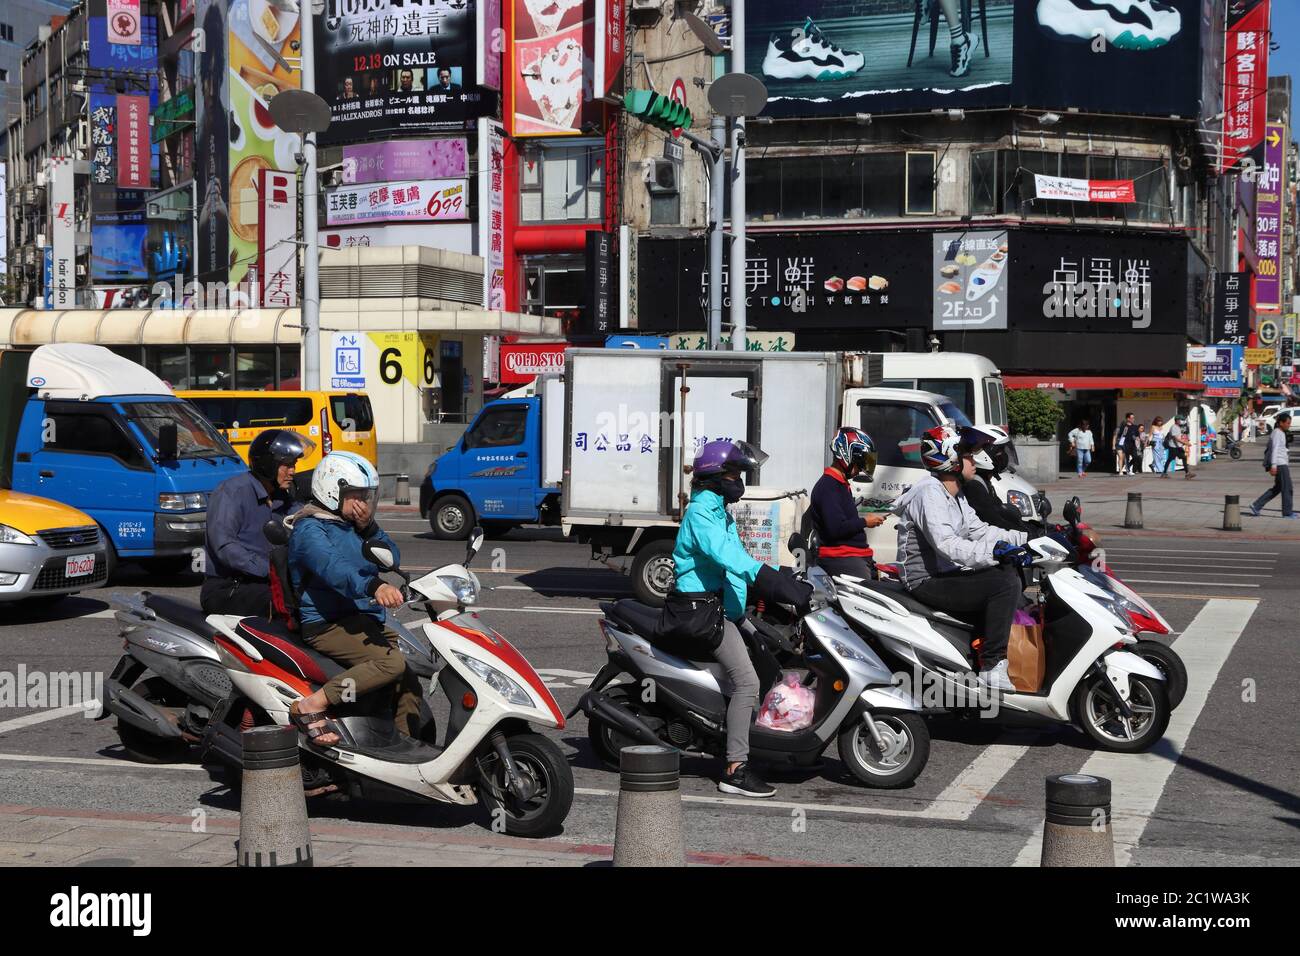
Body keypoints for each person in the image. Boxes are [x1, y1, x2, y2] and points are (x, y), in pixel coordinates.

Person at [285, 451, 421, 747]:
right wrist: (374, 587)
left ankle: (405, 750)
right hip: (327, 623)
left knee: (409, 680)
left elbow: (391, 558)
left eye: (365, 497)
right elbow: (334, 568)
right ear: (333, 489)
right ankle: (311, 705)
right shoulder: (309, 529)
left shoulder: (352, 526)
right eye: (356, 495)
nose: (362, 503)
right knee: (391, 665)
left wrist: (369, 527)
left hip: (360, 617)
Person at [672, 439, 774, 798]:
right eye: (734, 473)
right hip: (703, 612)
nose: (739, 480)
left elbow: (737, 558)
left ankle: (738, 736)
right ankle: (734, 769)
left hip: (724, 609)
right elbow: (729, 557)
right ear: (715, 476)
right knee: (747, 682)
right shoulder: (701, 513)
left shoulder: (719, 511)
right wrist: (766, 577)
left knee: (769, 654)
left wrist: (781, 579)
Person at [893, 425, 1030, 691]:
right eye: (969, 454)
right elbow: (948, 544)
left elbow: (980, 530)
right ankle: (992, 666)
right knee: (1004, 583)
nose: (975, 460)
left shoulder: (955, 495)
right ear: (950, 458)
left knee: (1005, 572)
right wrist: (995, 552)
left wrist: (1028, 540)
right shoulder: (929, 493)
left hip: (947, 574)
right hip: (926, 580)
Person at [200, 429, 311, 615]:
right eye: (287, 465)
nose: (293, 471)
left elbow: (305, 522)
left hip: (267, 583)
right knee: (288, 606)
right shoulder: (232, 492)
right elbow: (225, 547)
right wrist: (270, 569)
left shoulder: (283, 498)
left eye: (294, 464)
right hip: (228, 586)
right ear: (268, 464)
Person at [811, 427, 885, 581]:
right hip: (842, 558)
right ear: (847, 457)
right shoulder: (828, 487)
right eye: (860, 463)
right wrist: (865, 522)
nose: (862, 469)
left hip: (854, 557)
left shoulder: (840, 484)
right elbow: (835, 529)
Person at [963, 424, 1035, 534]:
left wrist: (1033, 527)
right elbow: (995, 521)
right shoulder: (974, 486)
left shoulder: (984, 482)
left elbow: (1000, 511)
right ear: (982, 454)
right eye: (999, 452)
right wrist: (1027, 534)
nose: (1003, 456)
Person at [1249, 411, 1294, 518]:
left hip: (1281, 463)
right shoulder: (1278, 433)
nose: (1289, 425)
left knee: (1278, 487)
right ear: (1281, 423)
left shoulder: (1279, 432)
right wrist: (1273, 465)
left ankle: (1256, 505)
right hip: (1280, 464)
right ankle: (1287, 513)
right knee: (1287, 488)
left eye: (1289, 423)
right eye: (1287, 423)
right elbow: (1274, 450)